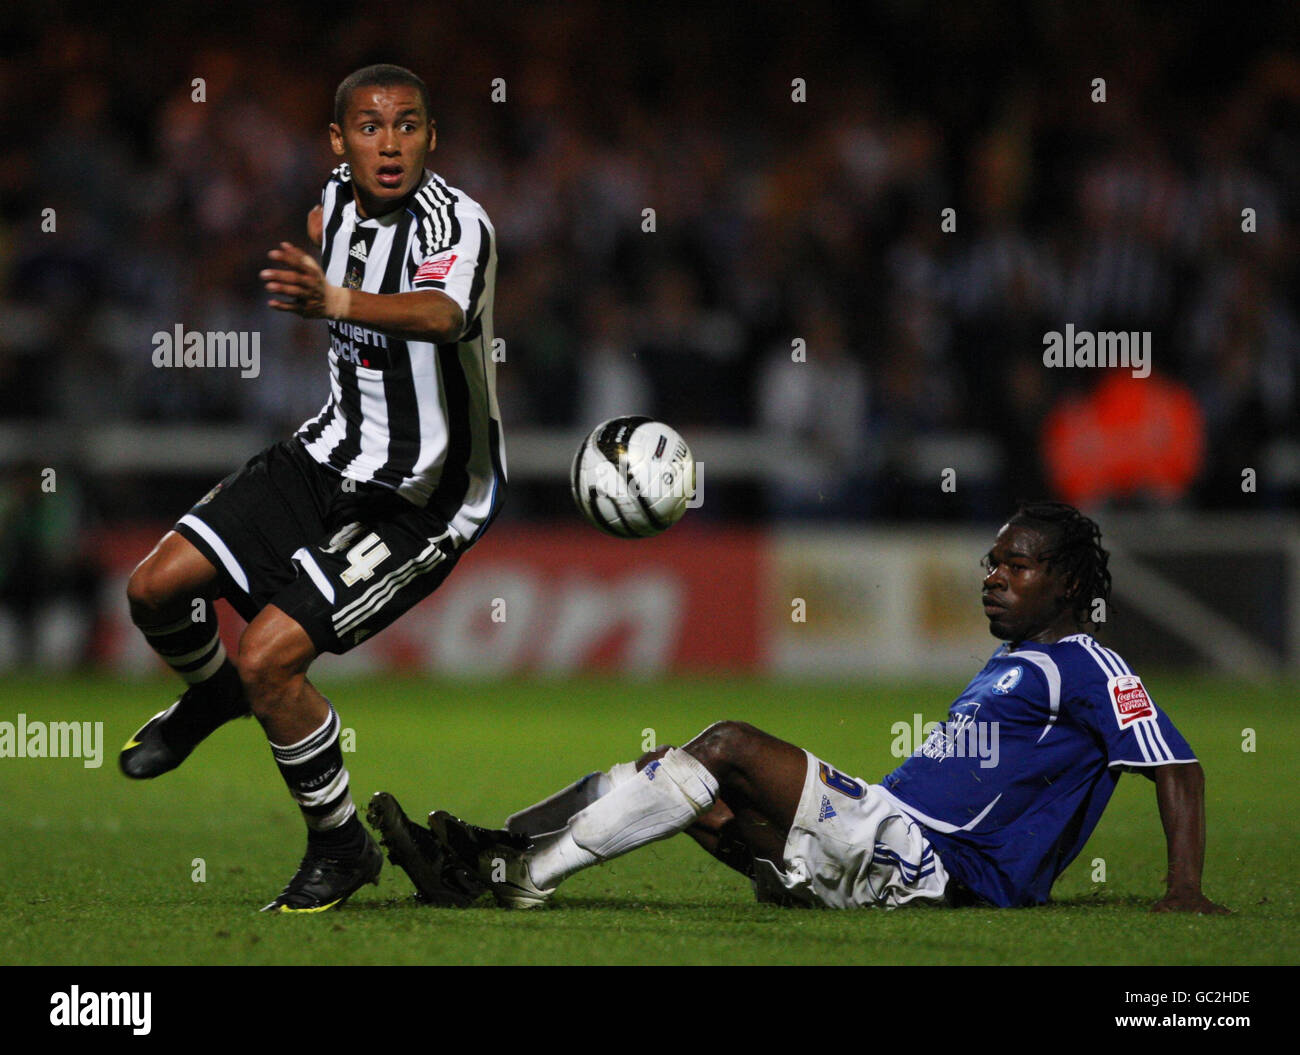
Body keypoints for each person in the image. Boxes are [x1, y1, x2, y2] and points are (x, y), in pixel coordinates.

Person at [369, 502, 1228, 913]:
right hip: (886, 839)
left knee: (729, 743)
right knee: (675, 775)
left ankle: (523, 880)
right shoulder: (1018, 664)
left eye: (1015, 566)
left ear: (1070, 582)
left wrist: (1183, 888)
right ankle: (495, 849)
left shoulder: (1087, 662)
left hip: (939, 864)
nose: (992, 576)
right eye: (990, 562)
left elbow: (1173, 762)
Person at [120, 64, 503, 913]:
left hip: (420, 500)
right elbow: (319, 221)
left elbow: (444, 316)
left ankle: (339, 846)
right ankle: (214, 691)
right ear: (340, 142)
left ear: (433, 137)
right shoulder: (331, 200)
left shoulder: (458, 224)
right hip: (323, 454)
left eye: (409, 124)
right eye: (369, 126)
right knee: (153, 589)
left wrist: (337, 296)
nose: (390, 142)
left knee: (271, 657)